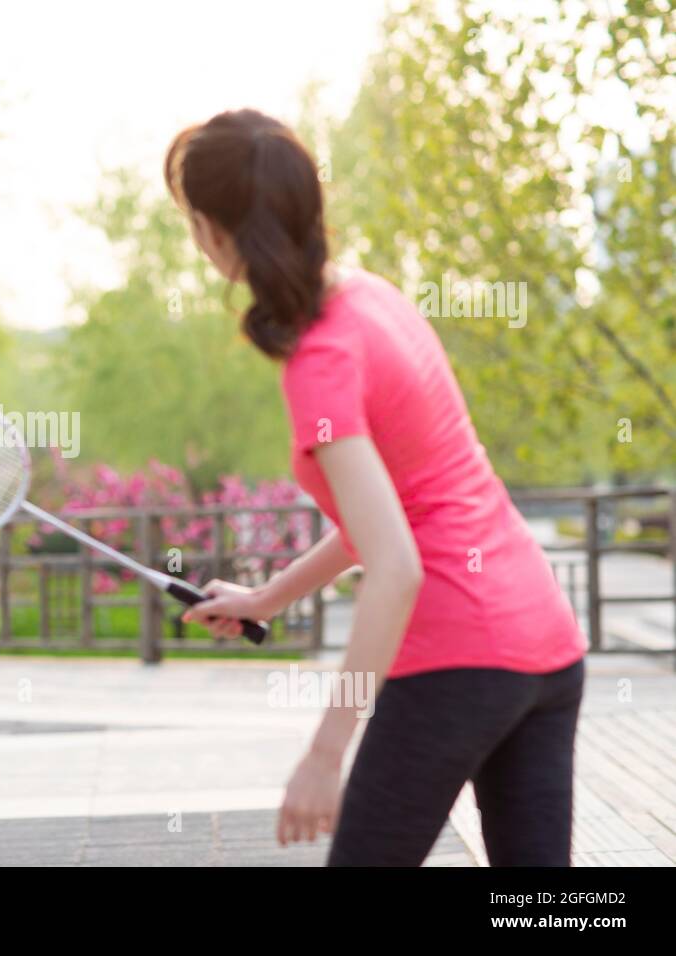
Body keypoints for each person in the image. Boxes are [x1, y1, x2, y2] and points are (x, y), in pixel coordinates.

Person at [171, 109, 586, 866]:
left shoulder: (320, 363)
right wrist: (268, 599)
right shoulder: (370, 298)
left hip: (460, 659)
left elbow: (396, 565)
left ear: (214, 233)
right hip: (546, 644)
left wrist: (326, 753)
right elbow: (393, 515)